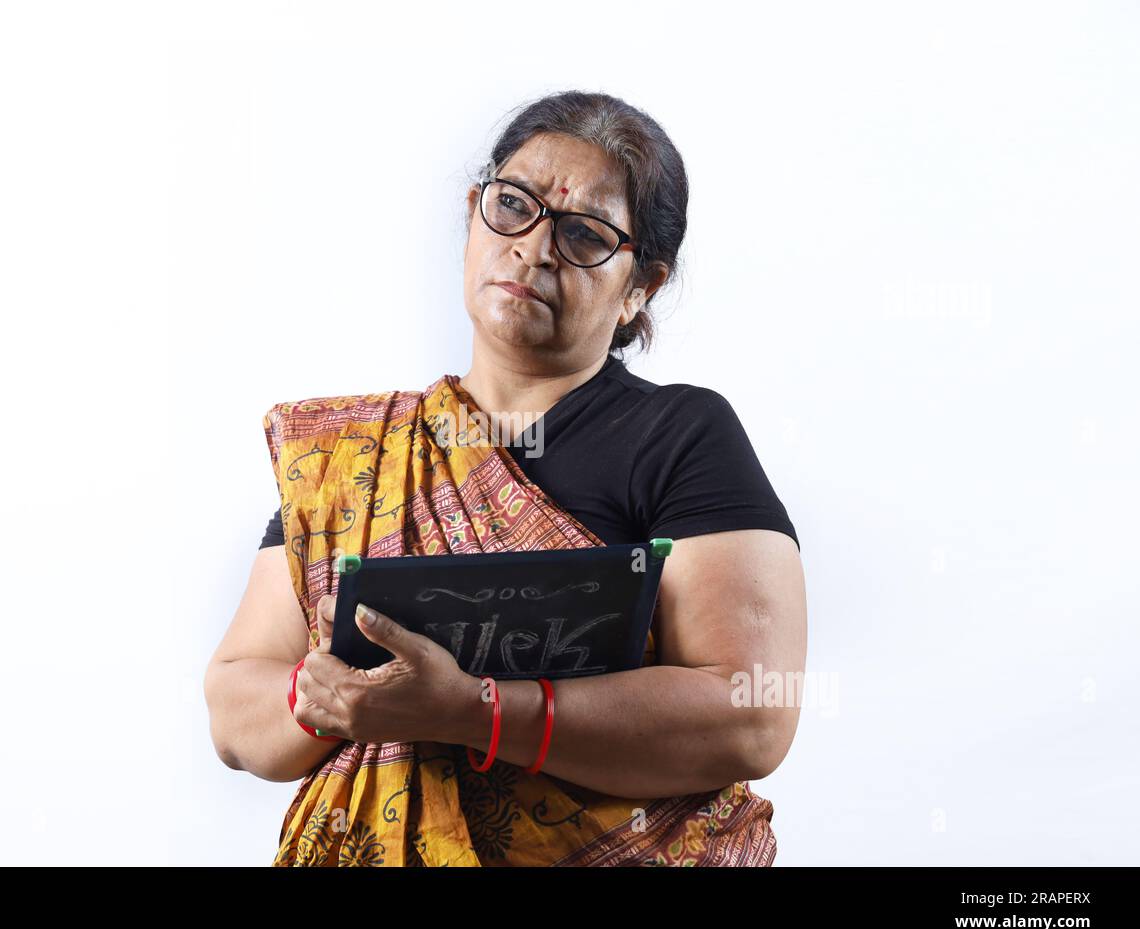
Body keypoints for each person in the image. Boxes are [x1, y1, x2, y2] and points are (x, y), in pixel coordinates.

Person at [204, 90, 807, 866]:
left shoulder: (678, 436)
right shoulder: (357, 459)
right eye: (512, 205)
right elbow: (232, 710)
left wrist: (477, 712)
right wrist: (322, 700)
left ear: (640, 288)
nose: (534, 247)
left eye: (586, 234)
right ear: (472, 214)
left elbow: (750, 714)